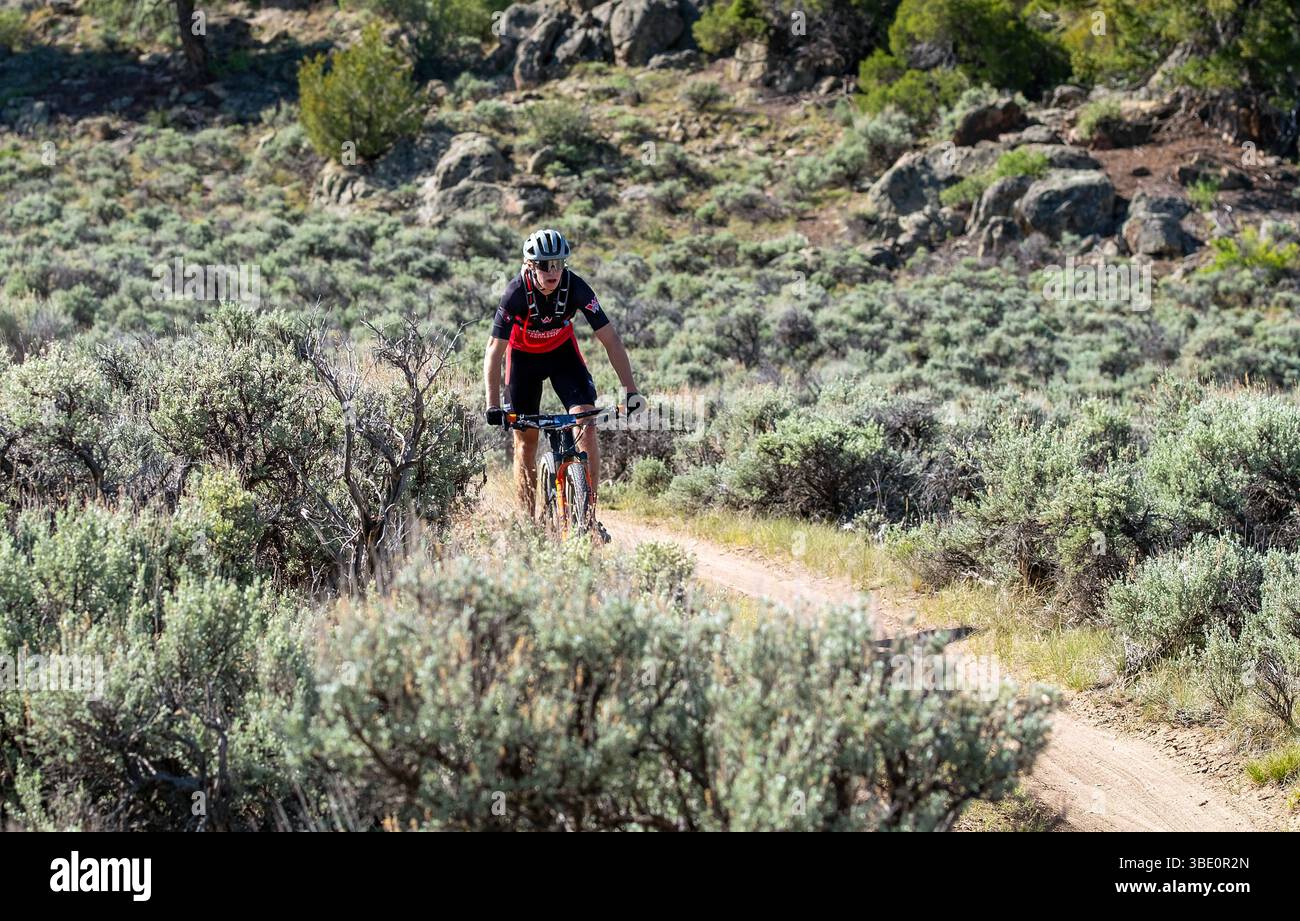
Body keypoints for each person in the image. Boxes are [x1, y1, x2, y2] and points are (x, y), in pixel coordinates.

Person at [483, 229, 643, 532]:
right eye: (544, 265)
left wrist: (631, 391)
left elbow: (610, 338)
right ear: (530, 266)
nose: (552, 271)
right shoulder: (515, 292)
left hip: (562, 356)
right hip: (523, 361)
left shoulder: (576, 287)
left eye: (558, 263)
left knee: (586, 423)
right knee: (526, 439)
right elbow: (494, 351)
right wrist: (493, 404)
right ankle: (527, 524)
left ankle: (588, 515)